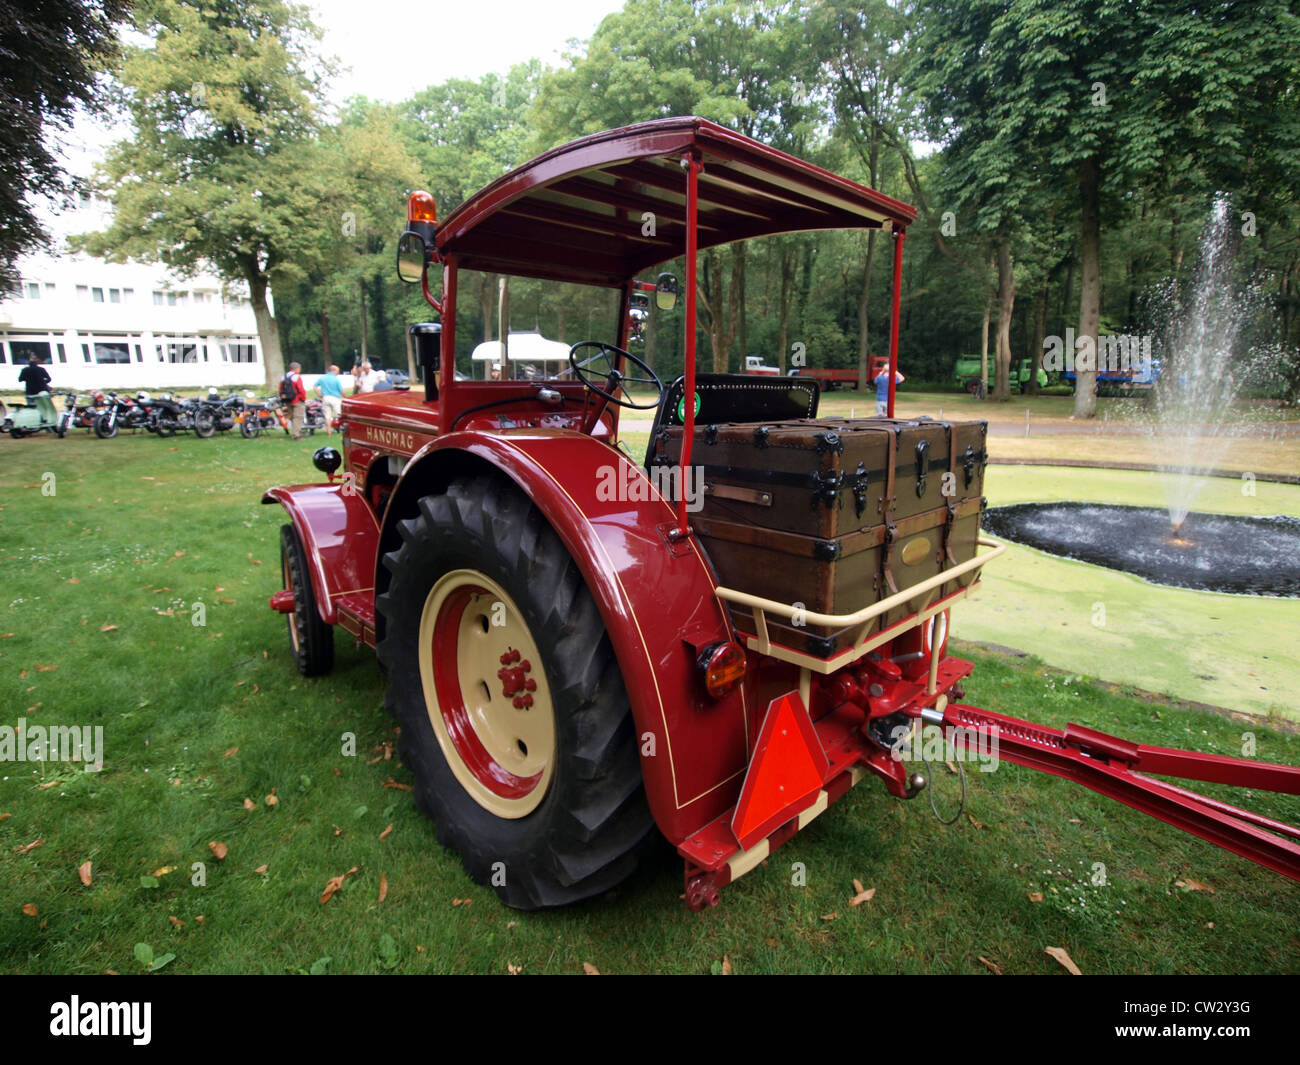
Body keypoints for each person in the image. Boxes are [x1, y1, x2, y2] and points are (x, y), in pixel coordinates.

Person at [281, 361, 307, 440]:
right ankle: (296, 435)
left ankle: (296, 431)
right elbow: (301, 389)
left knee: (292, 417)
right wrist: (303, 398)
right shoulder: (296, 377)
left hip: (287, 400)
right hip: (297, 399)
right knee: (298, 417)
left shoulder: (284, 377)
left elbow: (280, 389)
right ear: (296, 368)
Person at [315, 364, 343, 434]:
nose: (338, 373)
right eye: (337, 371)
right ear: (334, 371)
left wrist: (319, 394)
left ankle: (329, 432)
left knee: (327, 416)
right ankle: (341, 430)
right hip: (335, 398)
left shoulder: (322, 378)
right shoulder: (336, 379)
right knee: (339, 414)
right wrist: (345, 396)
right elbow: (341, 390)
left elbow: (315, 386)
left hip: (325, 397)